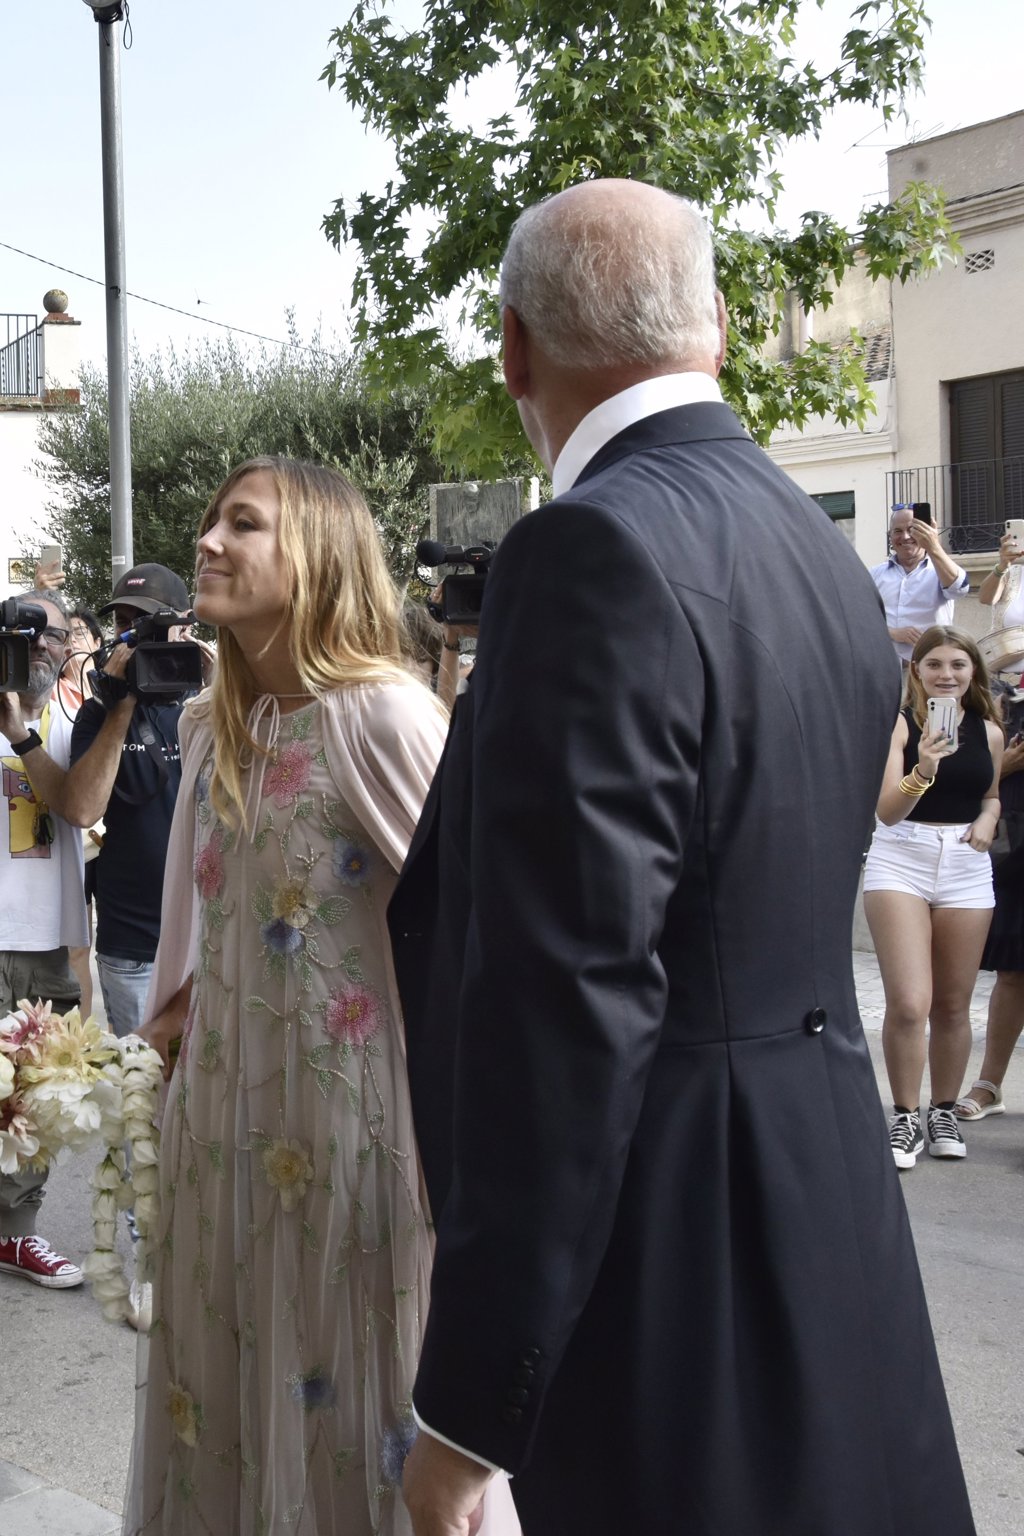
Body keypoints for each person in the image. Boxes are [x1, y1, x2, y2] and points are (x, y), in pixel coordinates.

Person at [389, 180, 977, 1536]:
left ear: (513, 348)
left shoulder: (589, 545)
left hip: (673, 1232)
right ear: (715, 327)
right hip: (819, 1177)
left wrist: (473, 1406)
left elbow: (571, 999)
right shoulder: (814, 544)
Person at [123, 458, 517, 1536]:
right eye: (212, 521)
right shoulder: (214, 729)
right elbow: (215, 932)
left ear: (318, 558)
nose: (207, 541)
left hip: (354, 1150)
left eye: (241, 525)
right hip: (224, 1141)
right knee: (227, 1421)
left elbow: (486, 943)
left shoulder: (382, 717)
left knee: (358, 1430)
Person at [863, 626, 1002, 1168]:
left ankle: (942, 1110)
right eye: (935, 664)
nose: (947, 675)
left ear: (973, 673)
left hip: (967, 862)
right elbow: (887, 811)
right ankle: (904, 1116)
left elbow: (989, 795)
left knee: (952, 1004)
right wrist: (925, 767)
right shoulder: (899, 725)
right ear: (916, 671)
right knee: (909, 1002)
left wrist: (990, 820)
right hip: (903, 855)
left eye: (958, 665)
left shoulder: (989, 730)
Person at [0, 589, 87, 1288]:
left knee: (37, 1098)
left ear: (69, 644)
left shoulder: (76, 720)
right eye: (19, 633)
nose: (36, 645)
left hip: (46, 942)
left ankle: (16, 1233)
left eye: (49, 634)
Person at [870, 506, 969, 663]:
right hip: (886, 665)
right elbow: (862, 620)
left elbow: (959, 589)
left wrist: (933, 545)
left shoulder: (940, 570)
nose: (906, 536)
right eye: (898, 531)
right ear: (890, 536)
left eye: (912, 529)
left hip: (930, 666)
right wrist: (891, 633)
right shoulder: (874, 574)